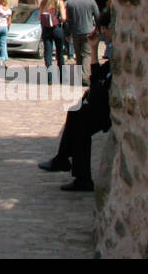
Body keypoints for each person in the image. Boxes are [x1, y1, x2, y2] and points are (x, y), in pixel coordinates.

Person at [37, 55, 112, 191]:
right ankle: (63, 161)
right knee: (75, 114)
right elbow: (95, 78)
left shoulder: (117, 58)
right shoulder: (113, 60)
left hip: (109, 110)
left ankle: (74, 171)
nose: (104, 33)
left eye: (105, 32)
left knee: (80, 122)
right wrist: (94, 49)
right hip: (103, 107)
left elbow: (98, 82)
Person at [65, 0, 100, 83]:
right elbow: (97, 16)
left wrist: (67, 33)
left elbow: (68, 20)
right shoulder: (91, 1)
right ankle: (85, 77)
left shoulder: (70, 3)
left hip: (75, 31)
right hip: (88, 31)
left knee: (78, 54)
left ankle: (79, 76)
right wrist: (98, 29)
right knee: (87, 54)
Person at [39, 0, 67, 84]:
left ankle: (49, 78)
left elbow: (39, 17)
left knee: (48, 53)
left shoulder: (43, 2)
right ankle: (61, 78)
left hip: (46, 29)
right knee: (60, 53)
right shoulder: (59, 2)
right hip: (57, 28)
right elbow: (63, 18)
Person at [0, 0, 12, 68]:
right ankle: (3, 60)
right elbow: (9, 21)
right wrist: (8, 28)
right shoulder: (8, 9)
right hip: (5, 27)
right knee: (3, 44)